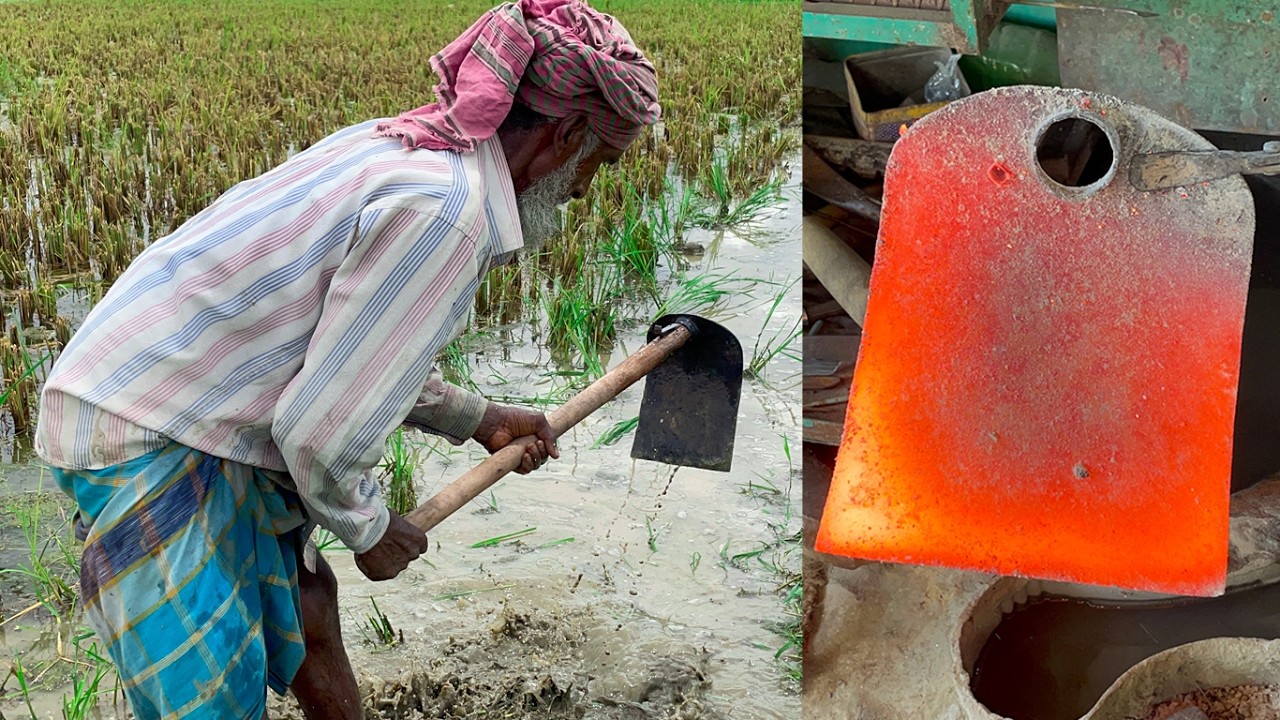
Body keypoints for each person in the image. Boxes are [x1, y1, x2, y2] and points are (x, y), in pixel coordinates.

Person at [33, 1, 660, 717]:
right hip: (149, 427)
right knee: (207, 698)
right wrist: (368, 528)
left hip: (181, 392)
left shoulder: (417, 155)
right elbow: (318, 431)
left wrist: (477, 418)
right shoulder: (446, 213)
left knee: (308, 606)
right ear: (569, 132)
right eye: (600, 164)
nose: (586, 189)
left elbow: (355, 355)